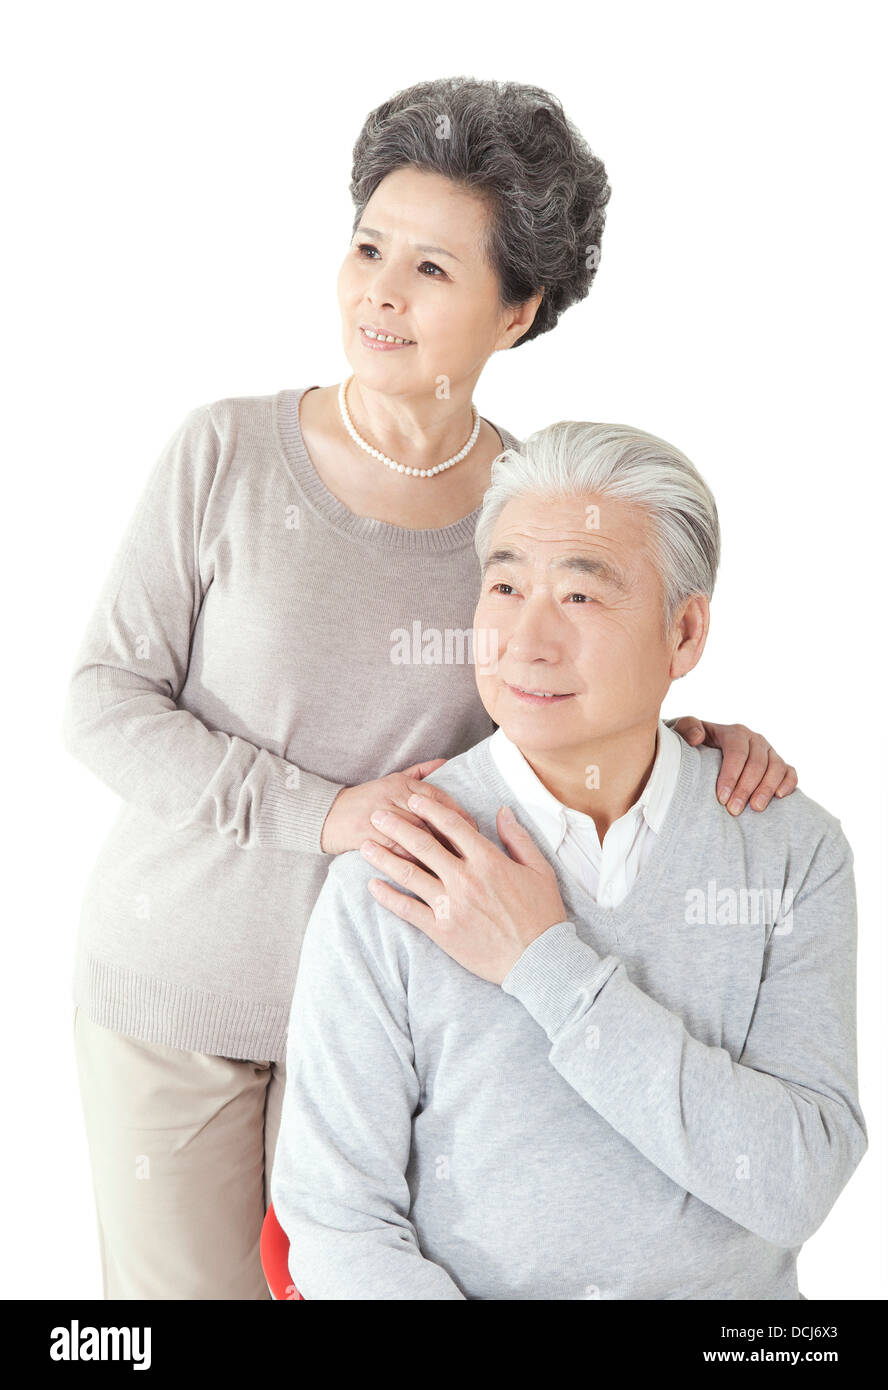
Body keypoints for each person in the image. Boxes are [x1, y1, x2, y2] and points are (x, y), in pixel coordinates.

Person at [62, 77, 796, 1300]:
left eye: (434, 270)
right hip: (177, 1001)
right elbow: (100, 699)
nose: (380, 293)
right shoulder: (226, 452)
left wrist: (697, 739)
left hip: (402, 1024)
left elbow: (555, 703)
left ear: (519, 311)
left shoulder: (532, 509)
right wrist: (328, 813)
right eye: (367, 248)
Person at [270, 418, 866, 1300]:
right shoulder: (394, 866)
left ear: (686, 634)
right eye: (505, 586)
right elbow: (337, 1221)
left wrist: (545, 964)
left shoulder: (789, 848)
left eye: (582, 597)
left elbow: (799, 1183)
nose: (527, 641)